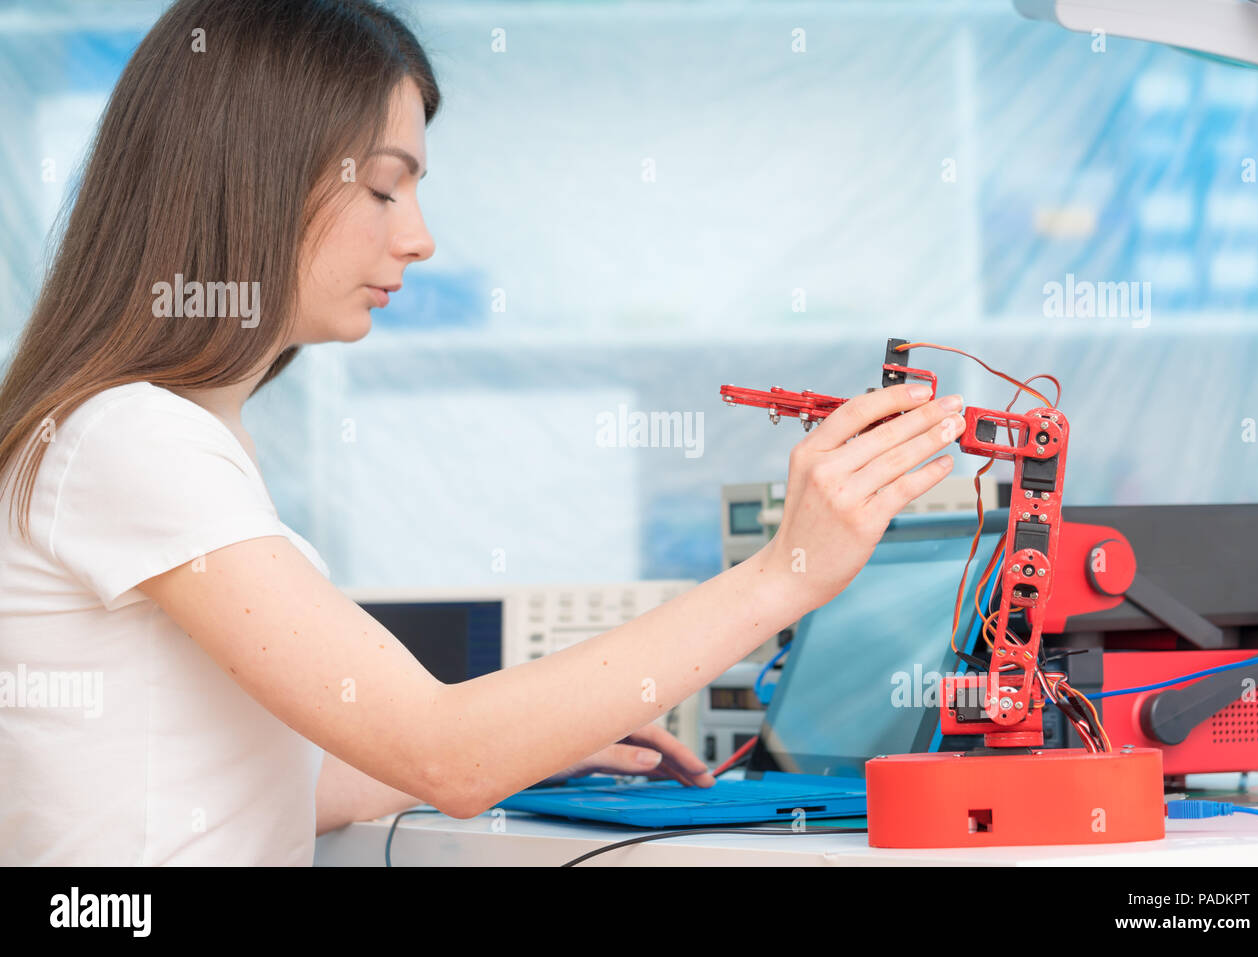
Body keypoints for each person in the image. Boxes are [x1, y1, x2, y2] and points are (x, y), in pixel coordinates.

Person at [0, 0, 965, 865]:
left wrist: (538, 738)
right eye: (385, 187)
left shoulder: (150, 434)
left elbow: (255, 790)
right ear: (250, 178)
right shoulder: (131, 439)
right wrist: (786, 575)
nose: (418, 236)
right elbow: (445, 750)